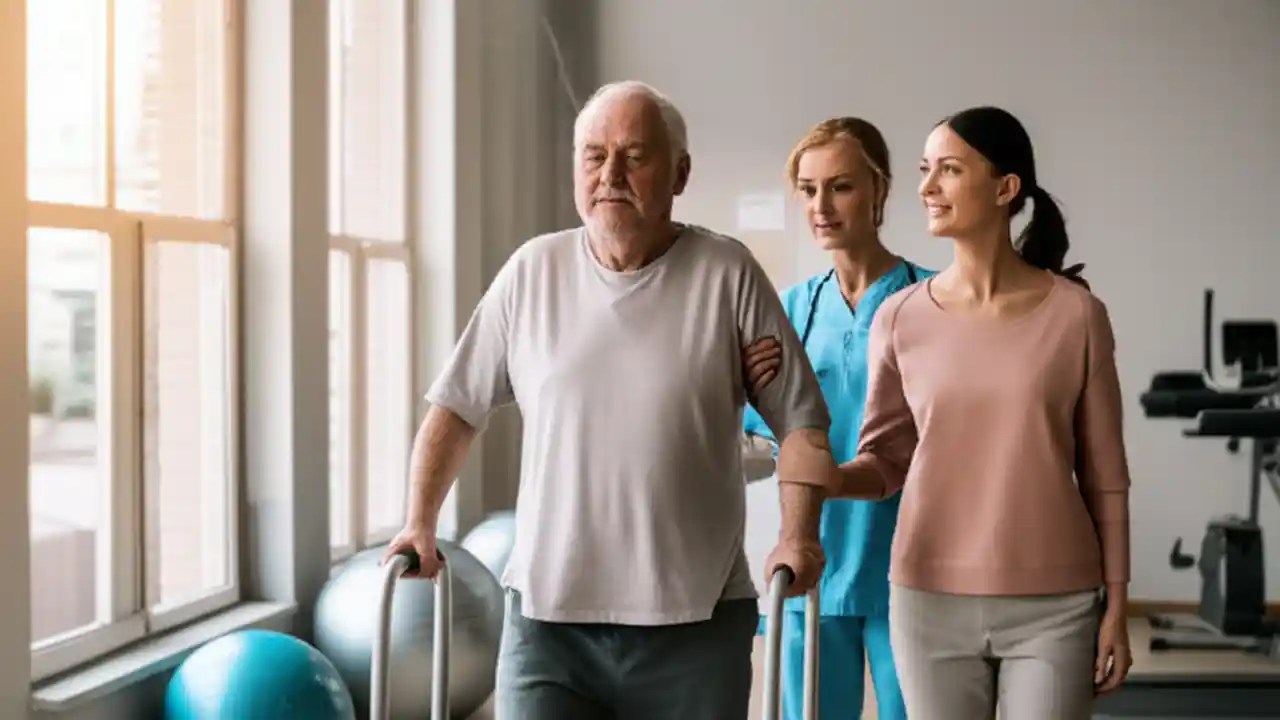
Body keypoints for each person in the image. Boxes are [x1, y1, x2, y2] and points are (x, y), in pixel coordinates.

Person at [382, 80, 841, 719]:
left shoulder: (725, 273)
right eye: (594, 156)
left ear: (680, 172)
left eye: (635, 155)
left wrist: (799, 536)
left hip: (696, 621)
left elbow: (802, 424)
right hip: (549, 624)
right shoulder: (530, 272)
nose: (611, 175)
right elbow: (456, 407)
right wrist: (420, 521)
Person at [750, 106, 1134, 718]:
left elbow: (1106, 478)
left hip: (1051, 598)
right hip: (918, 590)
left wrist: (1117, 604)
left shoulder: (1075, 315)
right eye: (927, 170)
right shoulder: (895, 315)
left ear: (1006, 189)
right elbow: (883, 458)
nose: (927, 187)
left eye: (948, 170)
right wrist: (830, 478)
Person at [741, 117, 932, 720]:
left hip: (911, 566)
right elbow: (756, 427)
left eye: (840, 186)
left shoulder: (933, 300)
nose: (820, 205)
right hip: (812, 568)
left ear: (880, 189)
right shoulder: (789, 309)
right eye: (807, 188)